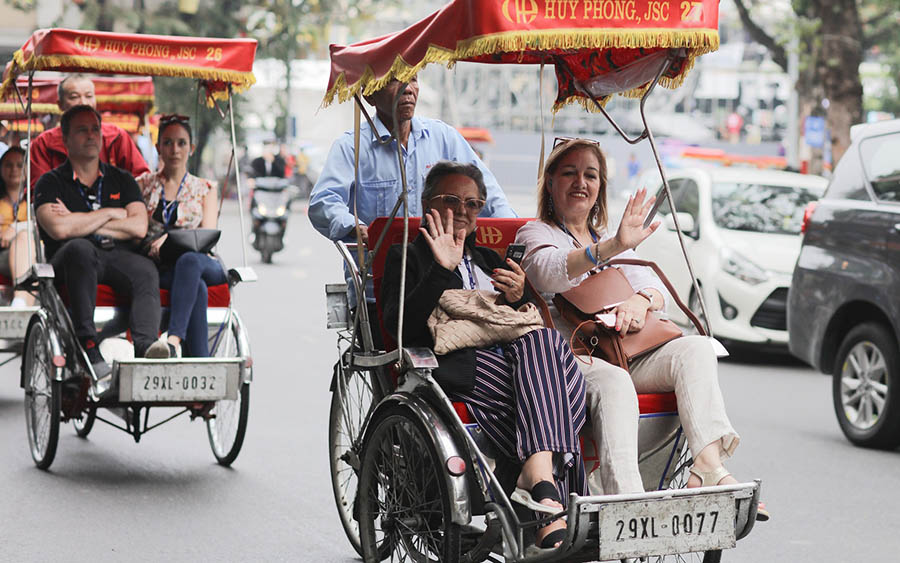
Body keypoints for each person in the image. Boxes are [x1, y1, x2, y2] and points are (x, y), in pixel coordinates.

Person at [514, 138, 768, 520]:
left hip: (626, 349)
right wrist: (614, 245)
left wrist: (641, 301)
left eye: (590, 174)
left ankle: (708, 468)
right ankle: (627, 500)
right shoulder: (536, 233)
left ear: (600, 186)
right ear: (550, 182)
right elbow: (551, 273)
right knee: (615, 382)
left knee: (697, 348)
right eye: (569, 173)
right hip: (571, 360)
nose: (580, 182)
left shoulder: (605, 237)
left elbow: (655, 287)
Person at [381, 161, 586, 548]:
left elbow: (525, 320)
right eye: (451, 200)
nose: (463, 210)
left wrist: (520, 294)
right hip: (456, 364)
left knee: (547, 343)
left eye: (473, 203)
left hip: (517, 364)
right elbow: (400, 327)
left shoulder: (492, 261)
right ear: (427, 203)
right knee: (555, 374)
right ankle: (552, 492)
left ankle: (538, 478)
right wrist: (442, 269)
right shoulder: (405, 256)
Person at [309, 75, 517, 337]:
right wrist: (357, 228)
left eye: (414, 80)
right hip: (382, 290)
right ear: (370, 95)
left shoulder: (443, 137)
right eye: (394, 82)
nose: (408, 90)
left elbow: (489, 194)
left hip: (449, 284)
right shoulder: (351, 146)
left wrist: (513, 233)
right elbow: (323, 203)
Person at [34, 105, 163, 384]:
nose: (91, 136)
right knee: (79, 247)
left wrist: (78, 222)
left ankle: (146, 346)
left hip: (115, 257)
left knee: (145, 269)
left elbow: (139, 227)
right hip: (69, 261)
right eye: (82, 130)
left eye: (95, 129)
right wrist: (110, 213)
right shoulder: (50, 182)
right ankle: (87, 345)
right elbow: (58, 229)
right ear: (66, 139)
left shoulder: (122, 179)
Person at [136, 115, 224, 358]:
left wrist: (171, 240)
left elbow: (206, 237)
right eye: (168, 143)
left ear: (191, 148)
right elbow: (136, 230)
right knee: (198, 289)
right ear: (158, 148)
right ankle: (200, 365)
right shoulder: (143, 185)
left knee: (190, 261)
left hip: (201, 260)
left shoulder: (206, 188)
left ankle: (173, 340)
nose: (175, 150)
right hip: (162, 266)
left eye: (181, 143)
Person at [29, 74, 150, 186]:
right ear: (60, 104)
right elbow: (40, 191)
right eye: (74, 97)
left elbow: (142, 178)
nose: (83, 103)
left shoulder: (115, 136)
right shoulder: (44, 143)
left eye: (89, 96)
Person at [0, 147, 35, 305]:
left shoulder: (36, 199)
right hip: (3, 254)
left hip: (33, 252)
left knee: (24, 238)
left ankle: (20, 303)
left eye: (20, 165)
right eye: (8, 165)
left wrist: (16, 228)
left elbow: (45, 225)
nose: (14, 170)